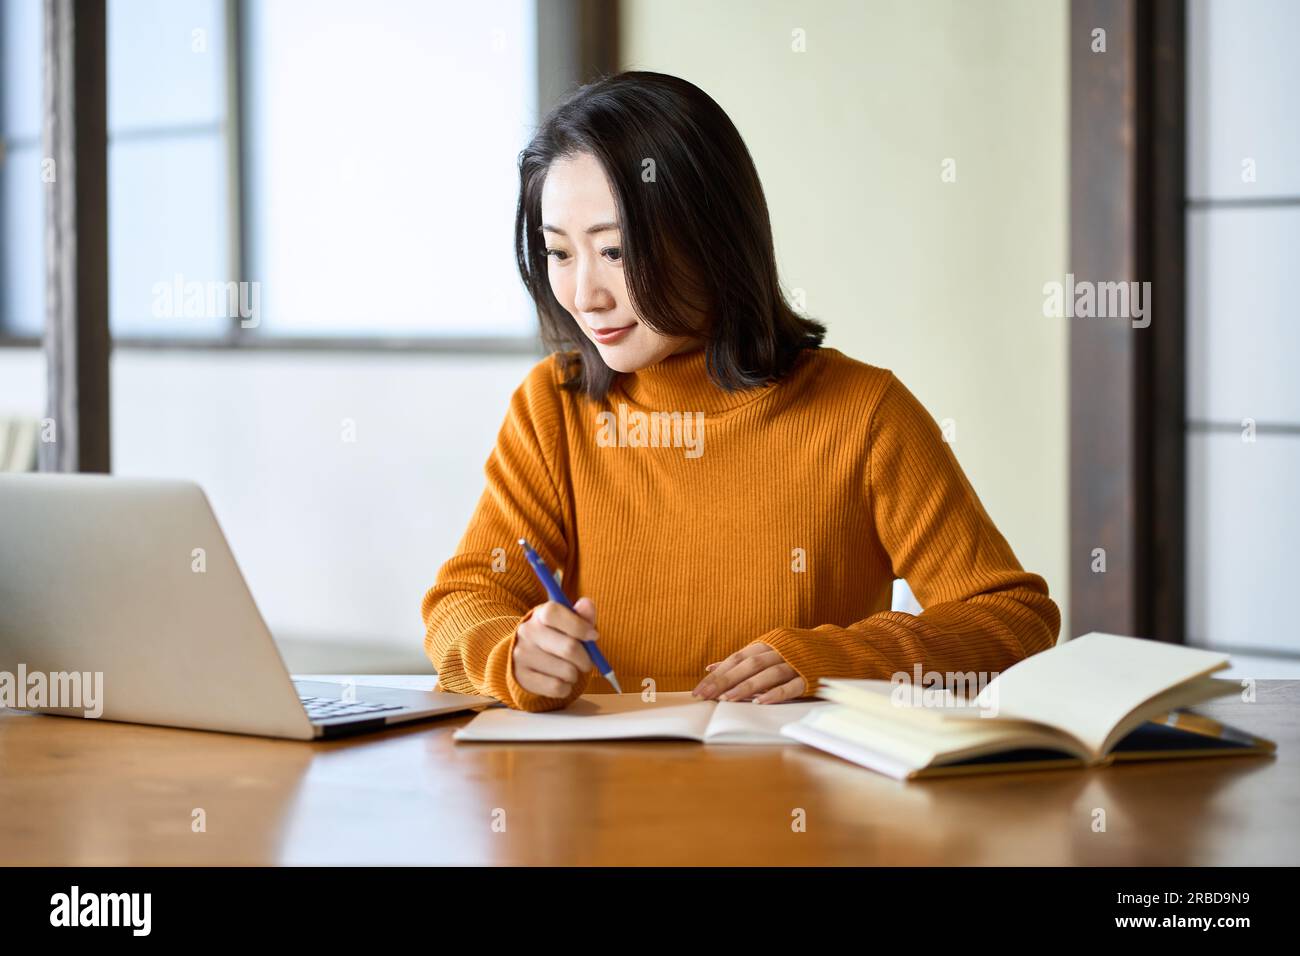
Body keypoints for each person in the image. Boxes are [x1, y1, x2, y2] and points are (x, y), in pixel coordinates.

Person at [421, 71, 1059, 712]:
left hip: (797, 796)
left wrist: (836, 659)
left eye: (614, 251)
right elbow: (463, 602)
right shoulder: (553, 408)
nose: (586, 295)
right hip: (597, 789)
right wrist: (514, 654)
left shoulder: (863, 413)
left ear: (711, 236)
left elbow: (1013, 620)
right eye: (558, 253)